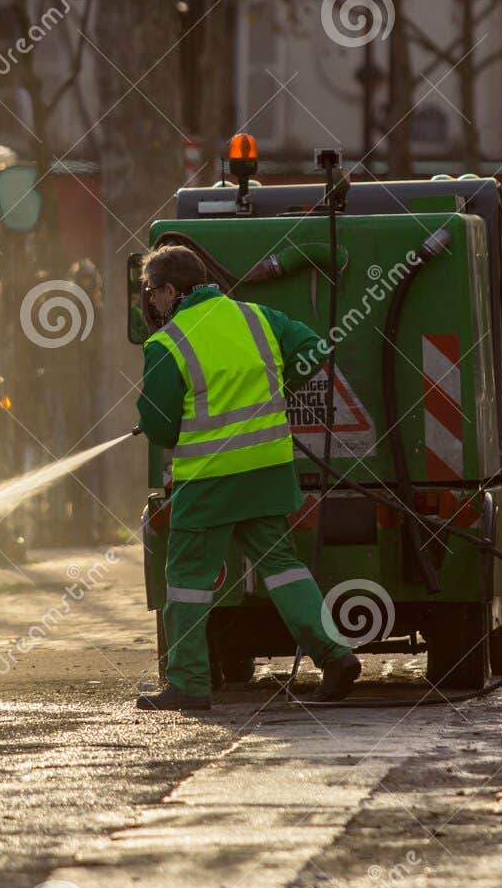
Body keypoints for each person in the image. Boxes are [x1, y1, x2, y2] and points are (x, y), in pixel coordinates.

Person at [134, 244, 360, 710]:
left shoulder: (168, 342)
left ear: (172, 291)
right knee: (283, 567)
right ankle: (335, 655)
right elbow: (314, 349)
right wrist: (275, 387)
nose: (151, 303)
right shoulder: (257, 317)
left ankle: (190, 684)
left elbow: (158, 426)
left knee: (188, 579)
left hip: (211, 478)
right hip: (267, 470)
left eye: (152, 292)